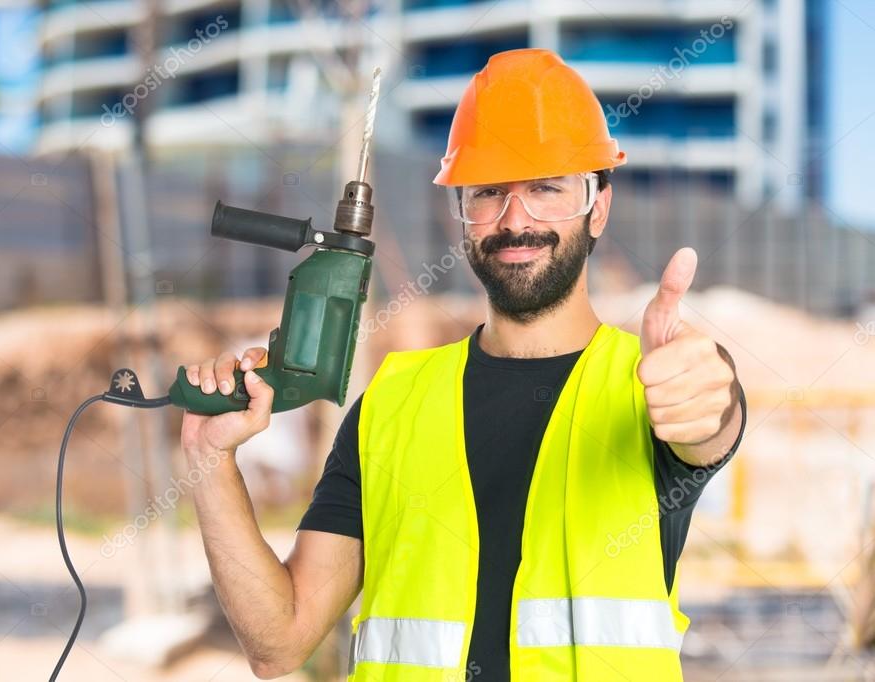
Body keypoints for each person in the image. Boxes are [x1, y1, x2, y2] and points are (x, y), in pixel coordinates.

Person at [180, 48, 746, 681]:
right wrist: (210, 461)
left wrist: (709, 395)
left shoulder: (651, 385)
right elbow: (278, 643)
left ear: (599, 207)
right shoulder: (391, 405)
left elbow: (709, 423)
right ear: (462, 216)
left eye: (547, 189)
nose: (516, 220)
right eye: (489, 193)